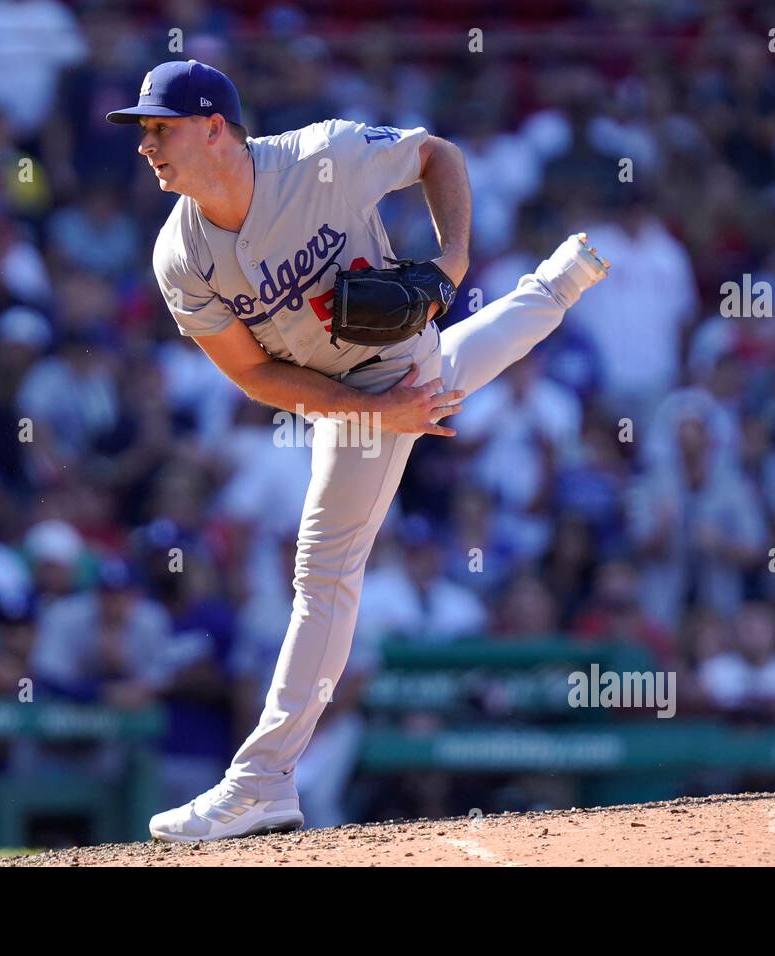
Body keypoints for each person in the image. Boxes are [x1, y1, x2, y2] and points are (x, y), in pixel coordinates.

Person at [107, 60, 610, 841]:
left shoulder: (319, 157)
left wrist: (452, 262)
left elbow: (436, 154)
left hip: (390, 353)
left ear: (215, 128)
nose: (146, 146)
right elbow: (253, 374)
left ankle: (262, 780)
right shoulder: (180, 255)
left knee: (324, 568)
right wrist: (375, 411)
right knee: (455, 374)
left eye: (159, 128)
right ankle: (556, 286)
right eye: (142, 132)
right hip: (349, 388)